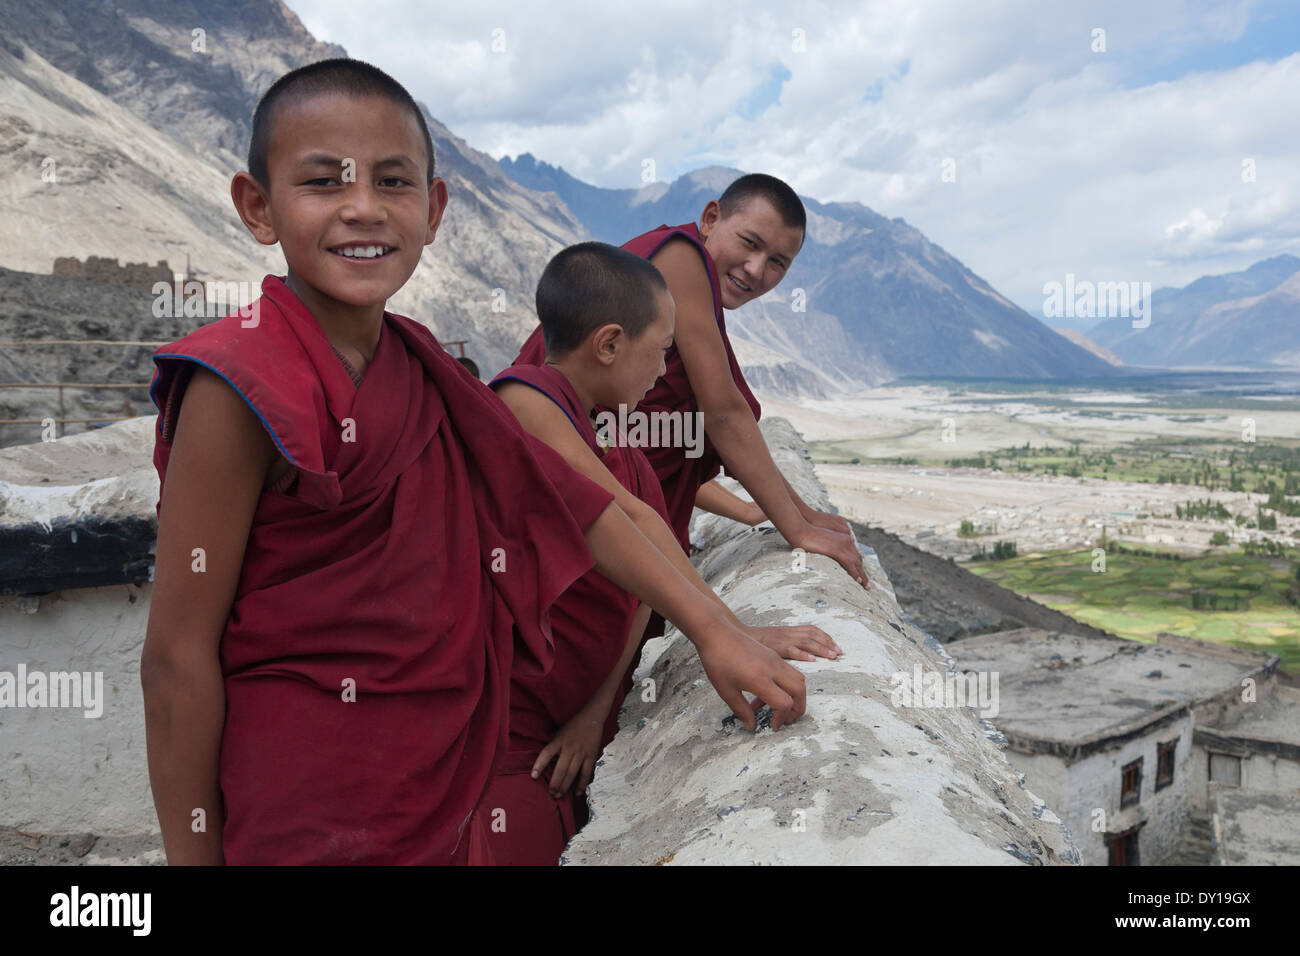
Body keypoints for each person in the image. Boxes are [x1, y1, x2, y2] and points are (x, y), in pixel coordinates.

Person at [140, 58, 804, 867]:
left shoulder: (432, 375)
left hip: (447, 771)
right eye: (322, 182)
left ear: (434, 207)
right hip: (308, 793)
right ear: (258, 207)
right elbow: (177, 660)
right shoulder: (237, 384)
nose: (362, 209)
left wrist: (713, 628)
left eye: (393, 182)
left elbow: (584, 511)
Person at [478, 243, 841, 864]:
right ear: (610, 344)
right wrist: (724, 631)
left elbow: (633, 585)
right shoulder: (524, 403)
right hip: (506, 724)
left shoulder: (602, 429)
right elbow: (628, 520)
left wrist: (598, 710)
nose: (665, 368)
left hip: (576, 707)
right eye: (662, 348)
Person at [513, 175, 870, 592]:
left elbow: (660, 440)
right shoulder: (681, 257)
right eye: (750, 243)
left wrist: (797, 512)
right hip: (581, 521)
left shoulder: (683, 281)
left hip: (620, 522)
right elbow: (722, 411)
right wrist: (799, 529)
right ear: (711, 217)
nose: (756, 270)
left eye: (778, 262)